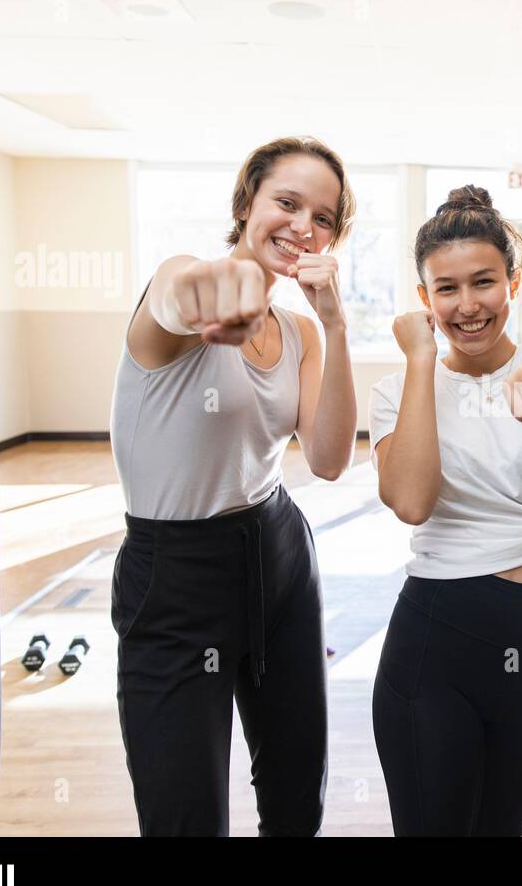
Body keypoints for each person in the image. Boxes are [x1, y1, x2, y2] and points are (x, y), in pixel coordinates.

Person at [109, 136, 358, 835]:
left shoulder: (302, 332)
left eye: (324, 216)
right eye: (286, 202)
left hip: (278, 555)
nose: (303, 224)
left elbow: (333, 457)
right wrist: (218, 291)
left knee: (294, 793)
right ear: (247, 202)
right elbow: (180, 294)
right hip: (174, 575)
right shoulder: (188, 284)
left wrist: (337, 325)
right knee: (183, 815)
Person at [369, 185, 522, 836]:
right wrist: (422, 360)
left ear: (514, 281)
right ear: (425, 298)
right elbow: (412, 500)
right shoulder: (399, 390)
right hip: (436, 641)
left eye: (484, 282)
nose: (468, 304)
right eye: (446, 288)